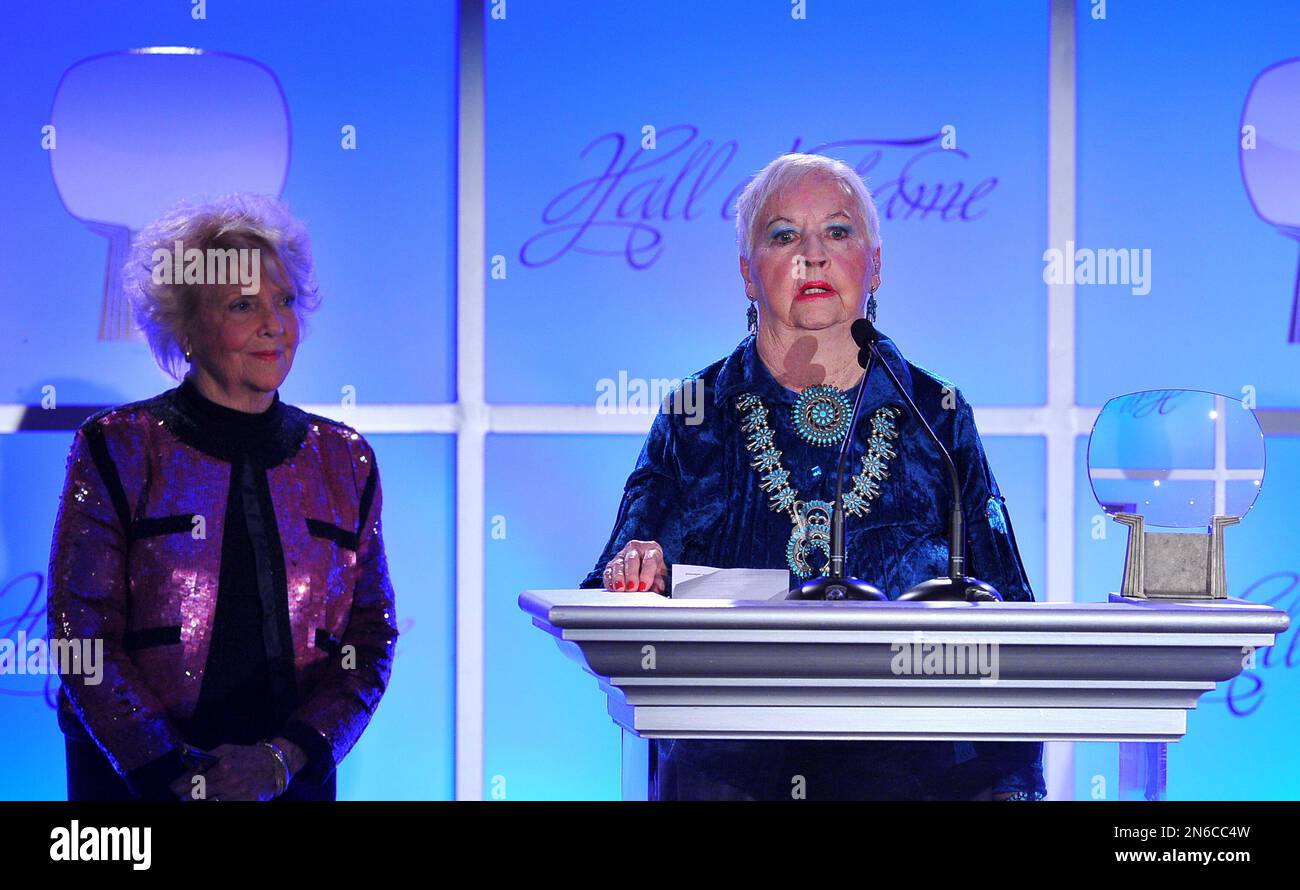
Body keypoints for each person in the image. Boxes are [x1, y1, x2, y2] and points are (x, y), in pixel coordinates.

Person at [580, 153, 1045, 801]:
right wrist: (637, 570)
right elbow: (613, 583)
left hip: (918, 781)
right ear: (748, 273)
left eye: (837, 231)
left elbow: (1013, 623)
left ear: (875, 263)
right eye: (783, 236)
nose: (812, 256)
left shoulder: (937, 417)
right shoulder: (695, 415)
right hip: (731, 779)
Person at [47, 194, 397, 801]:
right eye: (243, 305)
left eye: (284, 301)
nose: (275, 324)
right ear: (183, 325)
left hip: (290, 786)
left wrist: (285, 759)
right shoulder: (117, 447)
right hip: (138, 790)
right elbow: (83, 637)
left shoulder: (346, 458)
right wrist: (173, 772)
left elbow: (371, 641)